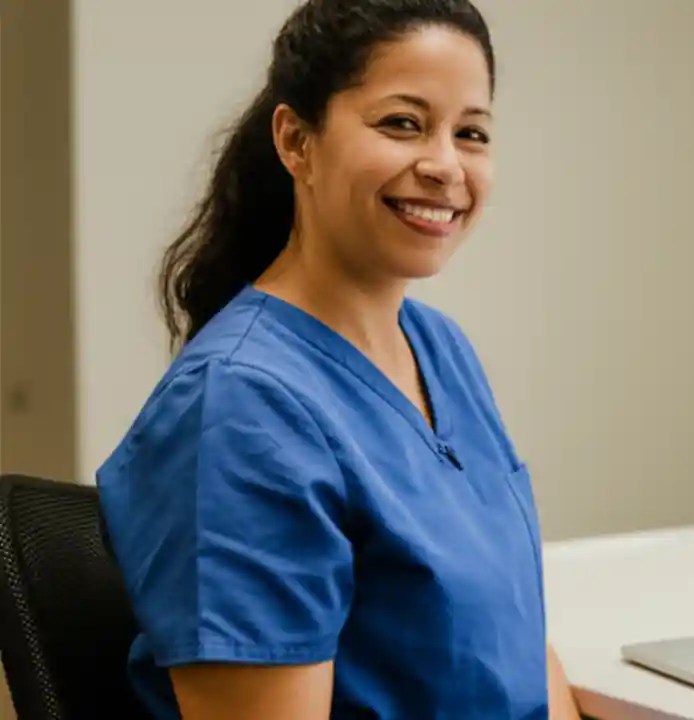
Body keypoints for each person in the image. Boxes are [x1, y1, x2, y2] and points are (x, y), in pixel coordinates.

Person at [95, 1, 581, 717]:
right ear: (296, 141)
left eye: (470, 133)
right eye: (402, 123)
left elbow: (521, 645)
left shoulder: (441, 350)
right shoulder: (239, 404)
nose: (445, 165)